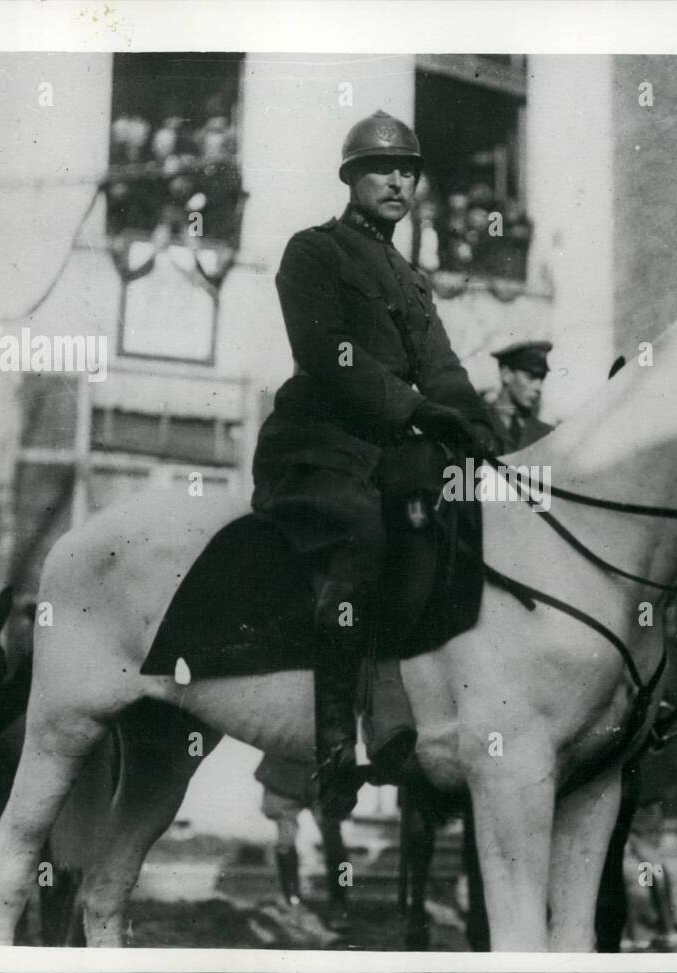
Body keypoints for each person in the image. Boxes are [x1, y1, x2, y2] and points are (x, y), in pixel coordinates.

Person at [251, 112, 498, 820]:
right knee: (361, 533)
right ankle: (331, 753)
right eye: (383, 168)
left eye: (410, 171)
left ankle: (409, 704)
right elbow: (331, 355)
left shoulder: (412, 282)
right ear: (350, 178)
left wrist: (483, 435)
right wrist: (415, 408)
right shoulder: (313, 253)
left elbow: (445, 369)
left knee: (449, 526)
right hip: (317, 446)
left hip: (391, 455)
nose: (399, 180)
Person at [255, 749, 351, 932]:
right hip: (283, 770)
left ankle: (340, 905)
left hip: (325, 771)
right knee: (285, 839)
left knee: (334, 841)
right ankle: (292, 902)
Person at [484, 341, 554, 453]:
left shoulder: (547, 436)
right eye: (530, 377)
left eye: (542, 379)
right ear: (506, 374)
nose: (538, 388)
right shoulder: (474, 424)